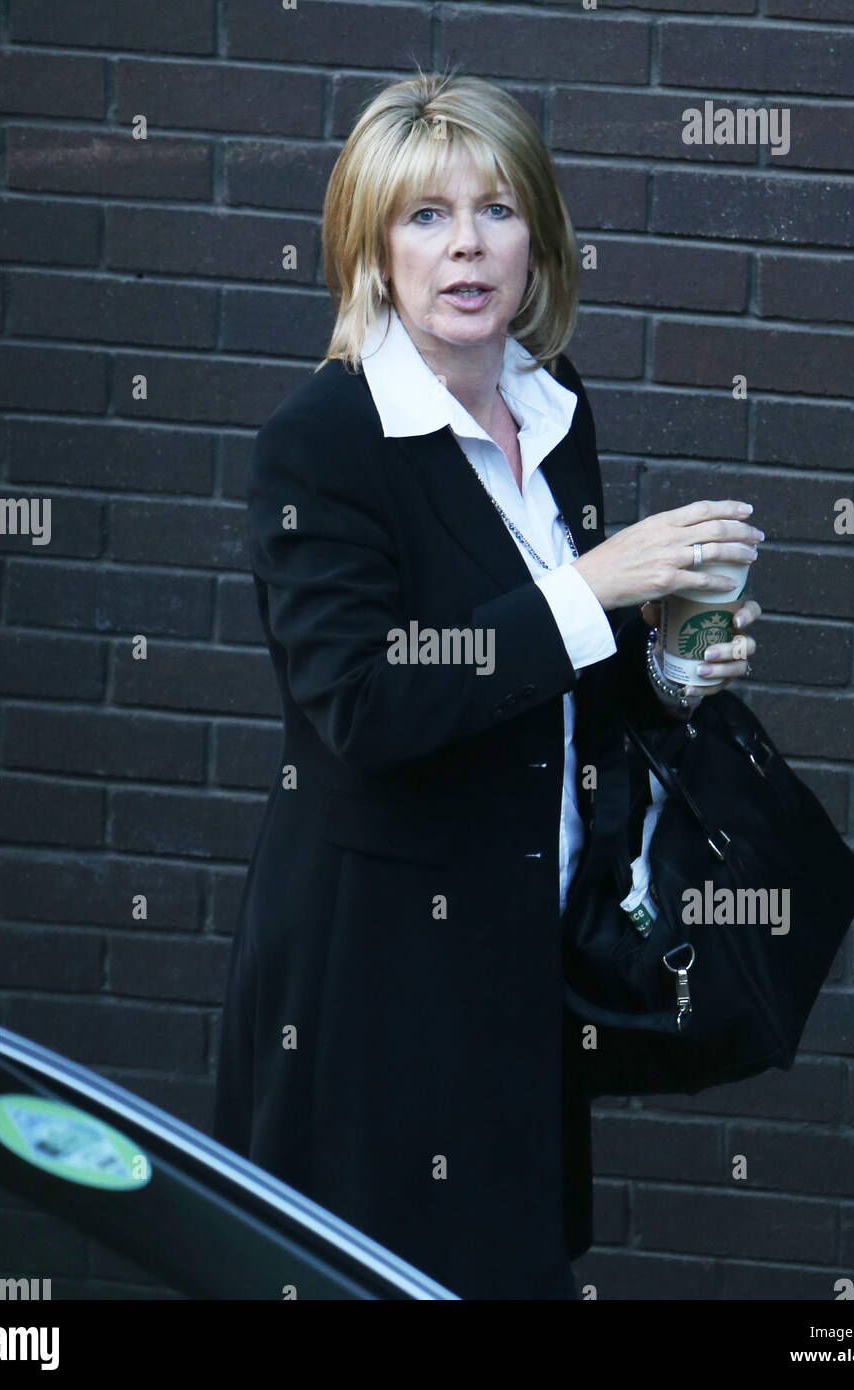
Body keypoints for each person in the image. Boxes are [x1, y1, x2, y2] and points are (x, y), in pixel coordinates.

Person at [213, 69, 763, 1301]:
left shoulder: (555, 415)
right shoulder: (324, 441)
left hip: (526, 962)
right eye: (424, 215)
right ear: (369, 244)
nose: (466, 244)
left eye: (498, 209)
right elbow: (362, 700)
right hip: (375, 988)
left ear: (539, 240)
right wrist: (596, 585)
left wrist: (667, 667)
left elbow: (553, 685)